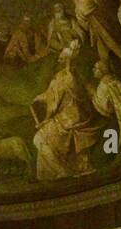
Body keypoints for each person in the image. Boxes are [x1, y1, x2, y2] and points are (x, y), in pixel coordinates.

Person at [31, 40, 101, 180]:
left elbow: (62, 94)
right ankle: (50, 175)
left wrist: (46, 113)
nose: (58, 59)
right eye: (60, 58)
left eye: (62, 58)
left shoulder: (70, 77)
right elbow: (52, 93)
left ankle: (62, 171)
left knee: (39, 139)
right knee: (40, 140)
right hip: (64, 116)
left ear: (67, 61)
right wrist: (40, 98)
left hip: (72, 117)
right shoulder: (61, 76)